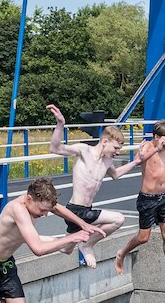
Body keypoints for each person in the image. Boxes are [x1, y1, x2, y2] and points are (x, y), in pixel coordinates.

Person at [46, 104, 144, 268]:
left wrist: (135, 162)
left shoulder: (107, 161)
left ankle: (34, 238)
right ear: (104, 141)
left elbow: (116, 174)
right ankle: (86, 245)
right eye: (116, 148)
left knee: (65, 249)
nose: (117, 152)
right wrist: (60, 124)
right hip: (75, 210)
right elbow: (54, 148)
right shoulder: (84, 151)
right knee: (118, 219)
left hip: (88, 210)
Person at [113, 120, 165, 292]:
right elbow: (140, 160)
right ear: (156, 137)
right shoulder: (147, 147)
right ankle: (122, 253)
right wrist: (156, 147)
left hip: (164, 197)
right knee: (143, 238)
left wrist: (164, 145)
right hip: (147, 199)